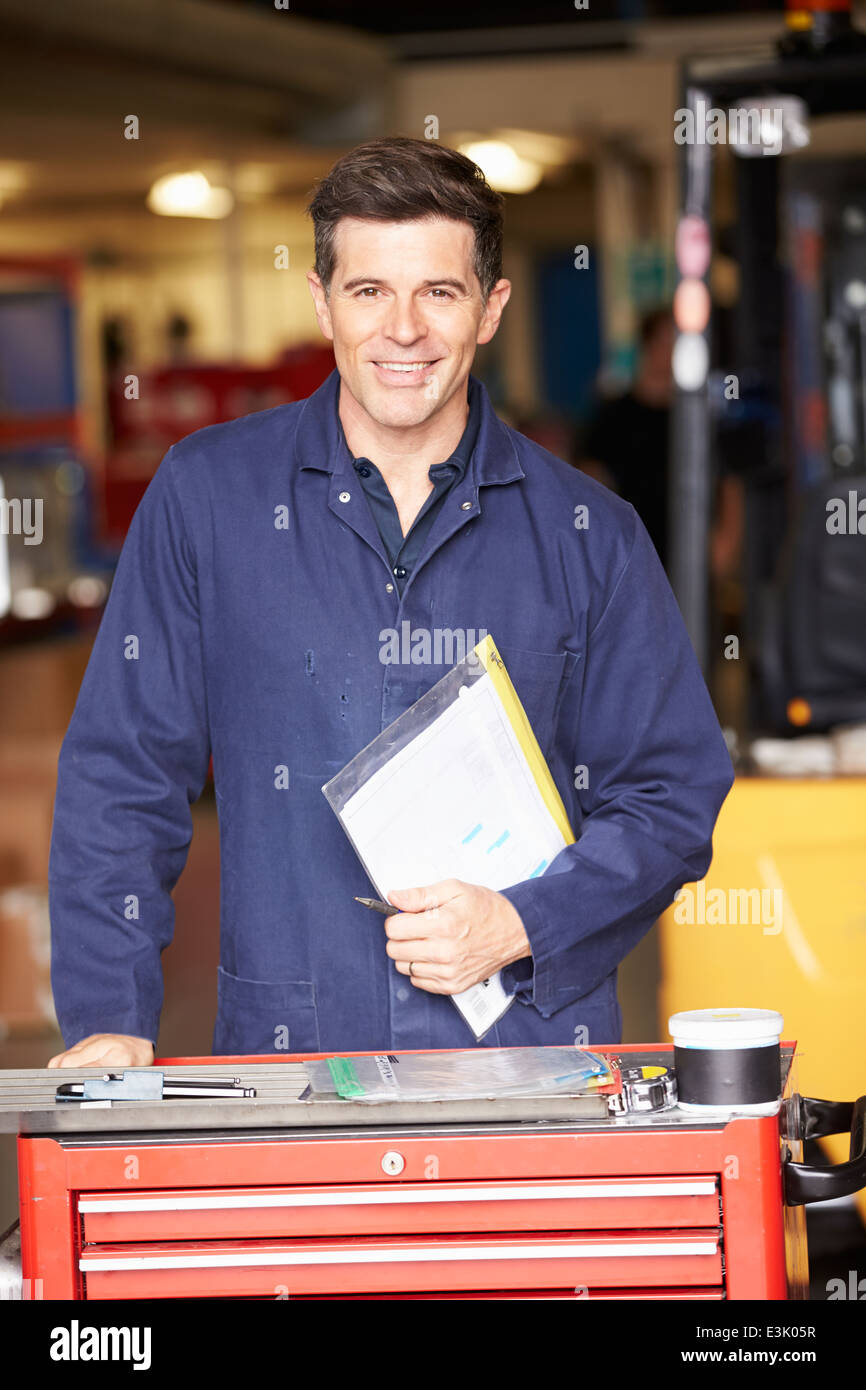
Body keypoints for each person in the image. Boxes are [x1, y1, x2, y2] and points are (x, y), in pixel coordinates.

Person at [47, 138, 733, 1069]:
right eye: (369, 290)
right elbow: (123, 773)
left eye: (438, 293)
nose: (401, 329)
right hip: (295, 1064)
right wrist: (105, 1015)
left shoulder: (589, 535)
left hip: (527, 1065)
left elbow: (671, 793)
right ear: (322, 301)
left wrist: (522, 922)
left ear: (490, 309)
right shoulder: (208, 500)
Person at [577, 307, 675, 570]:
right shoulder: (614, 415)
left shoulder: (694, 420)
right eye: (664, 342)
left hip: (687, 551)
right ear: (647, 345)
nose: (671, 352)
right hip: (632, 555)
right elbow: (590, 481)